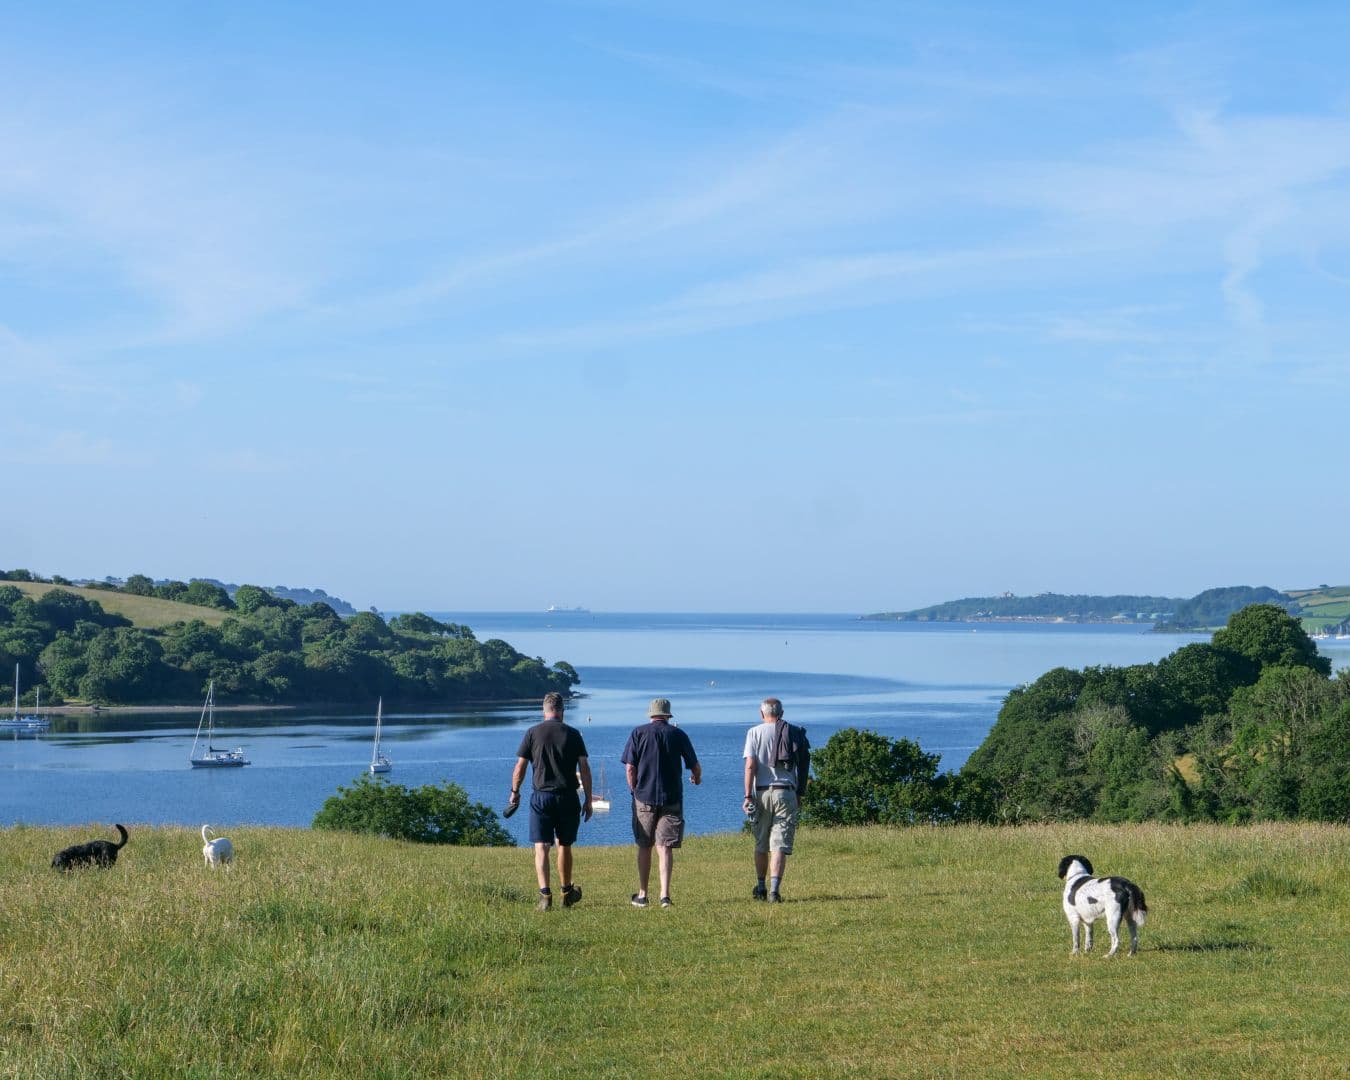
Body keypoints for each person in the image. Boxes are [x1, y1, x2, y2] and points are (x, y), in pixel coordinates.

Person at [507, 691, 593, 911]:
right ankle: (566, 892)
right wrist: (589, 799)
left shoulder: (532, 733)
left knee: (541, 847)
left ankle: (545, 896)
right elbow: (584, 768)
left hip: (541, 797)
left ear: (544, 710)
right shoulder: (573, 734)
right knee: (564, 845)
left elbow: (520, 767)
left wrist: (514, 791)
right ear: (562, 711)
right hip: (567, 797)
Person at [620, 697, 701, 908]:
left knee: (644, 845)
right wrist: (696, 778)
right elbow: (695, 765)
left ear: (651, 714)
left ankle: (643, 894)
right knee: (665, 847)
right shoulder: (678, 734)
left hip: (643, 797)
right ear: (668, 715)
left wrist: (633, 790)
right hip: (672, 797)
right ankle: (665, 896)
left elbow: (630, 768)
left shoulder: (638, 733)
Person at [742, 697, 809, 903]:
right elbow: (803, 765)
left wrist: (747, 795)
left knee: (761, 842)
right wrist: (799, 793)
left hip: (761, 792)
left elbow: (751, 765)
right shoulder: (793, 732)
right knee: (779, 844)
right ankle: (774, 891)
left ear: (762, 713)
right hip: (786, 792)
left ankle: (760, 887)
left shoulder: (754, 732)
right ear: (781, 713)